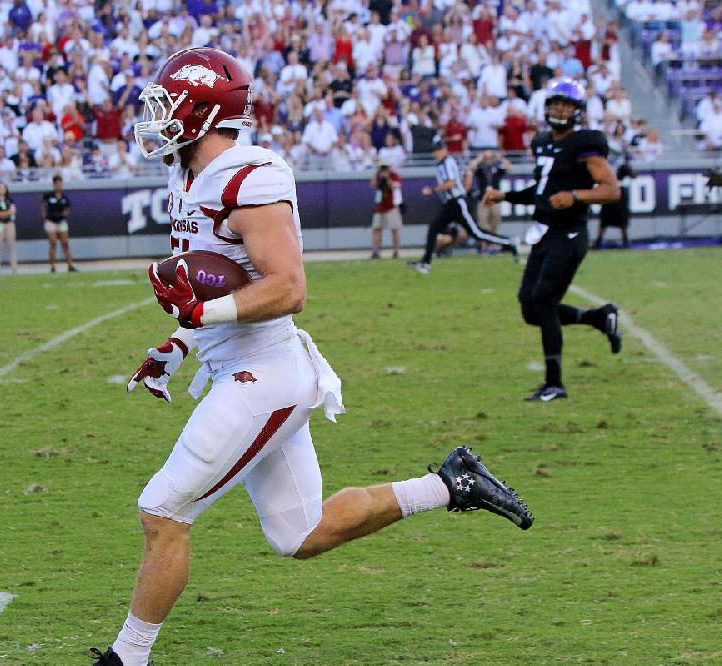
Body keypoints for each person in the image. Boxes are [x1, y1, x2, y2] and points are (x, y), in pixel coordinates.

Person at [90, 47, 533, 666]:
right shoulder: (186, 175)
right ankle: (450, 484)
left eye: (168, 105)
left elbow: (288, 287)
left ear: (204, 110)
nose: (155, 119)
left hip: (264, 376)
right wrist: (180, 343)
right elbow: (221, 281)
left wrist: (201, 315)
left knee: (162, 511)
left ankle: (125, 658)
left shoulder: (248, 177)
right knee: (300, 534)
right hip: (243, 368)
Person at [482, 79, 623, 402]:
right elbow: (541, 191)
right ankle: (600, 317)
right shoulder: (544, 142)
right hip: (545, 232)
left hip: (569, 233)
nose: (560, 109)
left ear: (577, 111)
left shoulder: (585, 143)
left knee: (544, 301)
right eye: (555, 104)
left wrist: (576, 195)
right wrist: (506, 195)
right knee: (531, 309)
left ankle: (555, 383)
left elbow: (611, 189)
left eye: (566, 105)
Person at [409, 136, 519, 274]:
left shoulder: (447, 163)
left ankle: (509, 242)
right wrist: (465, 186)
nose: (434, 154)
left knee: (476, 232)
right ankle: (425, 263)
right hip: (450, 203)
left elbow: (451, 183)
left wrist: (432, 190)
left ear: (443, 150)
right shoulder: (446, 162)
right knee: (434, 228)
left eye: (436, 150)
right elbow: (465, 173)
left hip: (456, 202)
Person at [466, 150, 513, 253]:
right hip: (483, 199)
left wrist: (500, 157)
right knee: (483, 223)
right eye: (486, 158)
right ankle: (485, 246)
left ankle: (494, 246)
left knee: (495, 222)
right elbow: (471, 167)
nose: (488, 160)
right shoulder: (481, 169)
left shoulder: (497, 169)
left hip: (495, 199)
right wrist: (479, 158)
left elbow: (509, 167)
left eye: (490, 158)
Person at [593, 160, 634, 249]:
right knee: (619, 224)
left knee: (605, 224)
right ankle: (625, 242)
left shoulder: (619, 180)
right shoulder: (621, 184)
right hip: (615, 201)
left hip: (611, 200)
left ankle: (599, 242)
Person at [41, 174, 76, 272]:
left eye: (60, 183)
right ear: (53, 185)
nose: (58, 185)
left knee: (65, 243)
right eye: (56, 184)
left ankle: (70, 265)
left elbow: (68, 208)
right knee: (53, 243)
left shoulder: (64, 197)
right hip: (51, 222)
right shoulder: (48, 195)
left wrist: (64, 214)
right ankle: (52, 266)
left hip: (61, 221)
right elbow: (42, 205)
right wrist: (45, 216)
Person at [370, 162, 403, 259]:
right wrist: (377, 175)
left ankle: (396, 251)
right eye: (382, 169)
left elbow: (394, 186)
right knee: (376, 229)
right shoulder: (377, 176)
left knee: (394, 229)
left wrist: (387, 178)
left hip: (392, 206)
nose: (383, 171)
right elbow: (372, 185)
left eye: (385, 169)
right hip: (380, 207)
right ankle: (375, 251)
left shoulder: (395, 176)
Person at [0, 181, 18, 274]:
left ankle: (14, 267)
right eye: (0, 188)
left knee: (11, 246)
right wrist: (5, 214)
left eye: (3, 188)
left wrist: (2, 214)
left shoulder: (10, 200)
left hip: (9, 224)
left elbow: (13, 211)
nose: (1, 190)